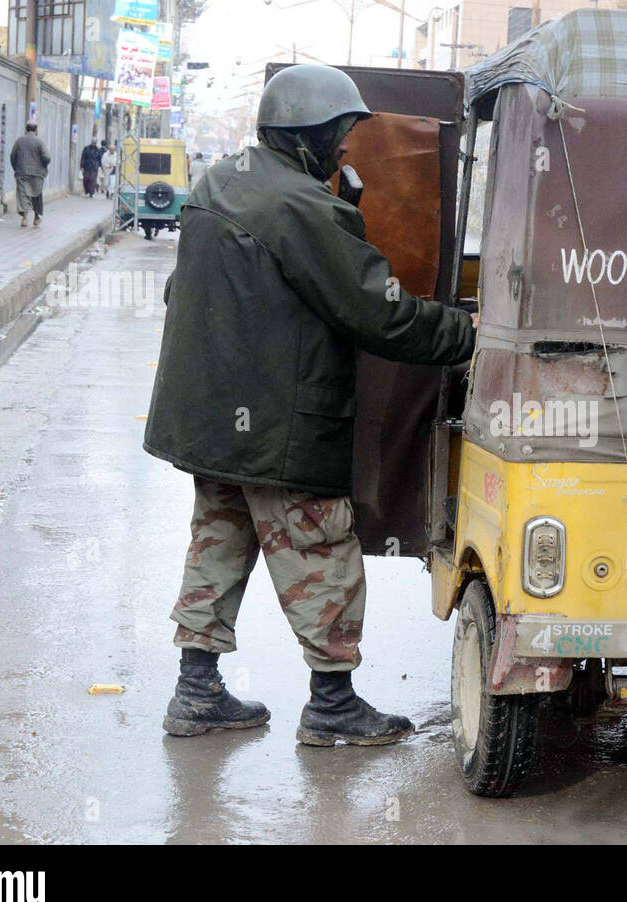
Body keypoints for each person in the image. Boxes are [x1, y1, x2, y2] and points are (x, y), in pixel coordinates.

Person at [144, 64, 479, 747]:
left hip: (213, 423)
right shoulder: (305, 208)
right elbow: (380, 316)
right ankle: (332, 706)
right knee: (321, 553)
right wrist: (466, 335)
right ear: (306, 135)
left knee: (218, 539)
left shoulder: (219, 183)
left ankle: (195, 692)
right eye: (339, 135)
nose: (346, 149)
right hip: (280, 428)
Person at [9, 122, 50, 227]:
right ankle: (36, 218)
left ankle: (24, 218)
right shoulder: (40, 142)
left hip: (22, 172)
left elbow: (12, 156)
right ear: (36, 131)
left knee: (23, 195)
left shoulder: (19, 141)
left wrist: (16, 168)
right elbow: (47, 157)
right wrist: (43, 165)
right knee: (37, 195)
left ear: (26, 129)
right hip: (37, 173)